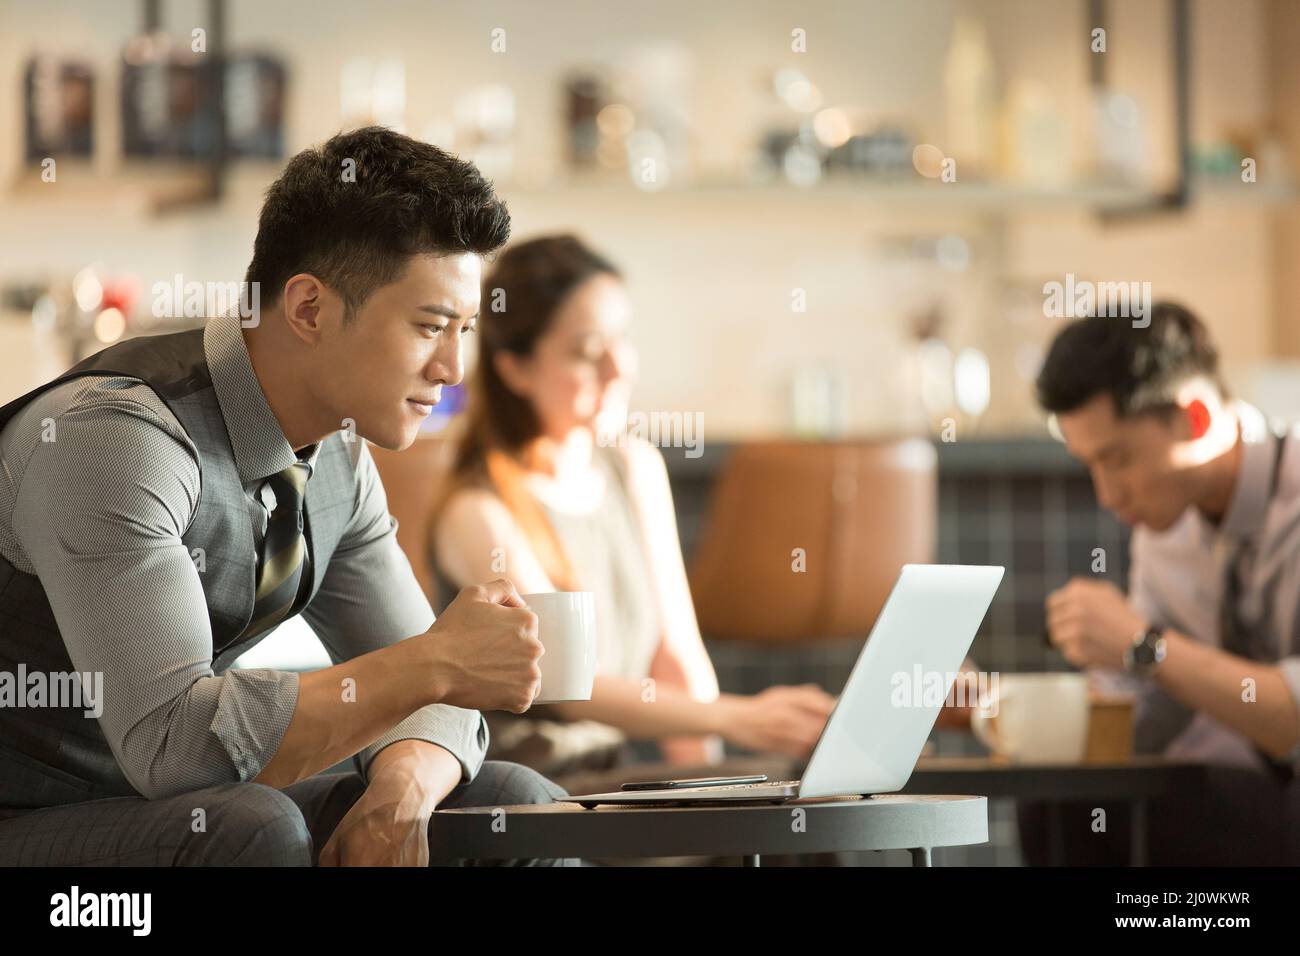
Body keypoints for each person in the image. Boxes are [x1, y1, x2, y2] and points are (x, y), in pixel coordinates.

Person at [0, 127, 575, 866]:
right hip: (27, 816)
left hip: (169, 814)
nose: (454, 369)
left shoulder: (337, 455)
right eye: (430, 326)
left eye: (463, 330)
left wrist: (397, 797)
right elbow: (176, 748)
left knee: (512, 804)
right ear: (308, 310)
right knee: (256, 829)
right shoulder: (113, 438)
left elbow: (437, 705)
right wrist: (436, 662)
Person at [428, 235, 837, 794]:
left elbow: (675, 654)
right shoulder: (480, 511)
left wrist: (717, 790)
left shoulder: (634, 467)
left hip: (616, 784)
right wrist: (738, 717)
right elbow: (571, 688)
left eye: (622, 340)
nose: (619, 368)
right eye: (587, 351)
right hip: (538, 794)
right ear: (516, 369)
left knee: (797, 809)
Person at [1025, 300, 1298, 864]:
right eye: (1090, 466)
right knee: (1056, 808)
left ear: (1194, 419)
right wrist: (990, 707)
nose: (1107, 495)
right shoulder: (1164, 524)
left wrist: (1141, 645)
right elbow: (1144, 717)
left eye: (1117, 459)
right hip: (1245, 799)